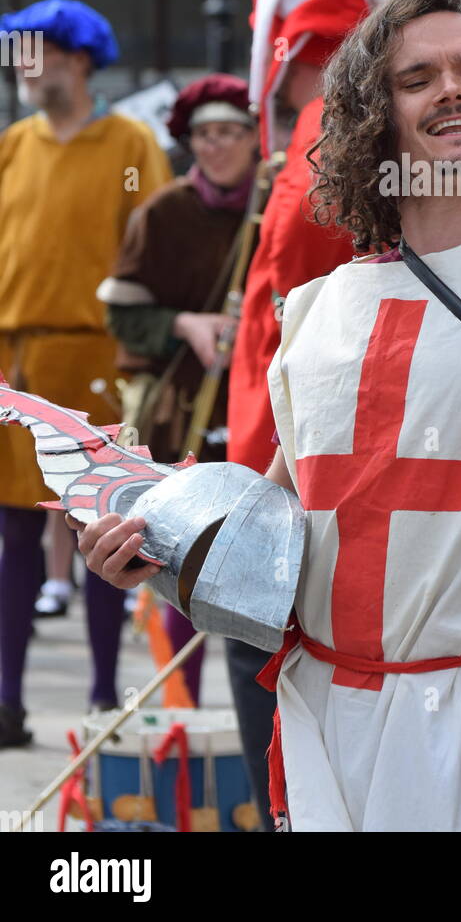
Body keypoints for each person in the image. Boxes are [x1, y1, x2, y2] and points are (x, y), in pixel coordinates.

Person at [77, 0, 461, 833]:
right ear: (374, 119)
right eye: (415, 78)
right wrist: (157, 556)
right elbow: (281, 542)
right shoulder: (320, 309)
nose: (451, 92)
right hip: (320, 733)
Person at [224, 0, 384, 824]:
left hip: (287, 461)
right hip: (280, 446)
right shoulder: (327, 130)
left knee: (269, 673)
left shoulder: (323, 130)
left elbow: (315, 314)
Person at [0, 0, 171, 748]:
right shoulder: (11, 146)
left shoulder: (131, 142)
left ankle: (106, 701)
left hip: (101, 361)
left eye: (31, 51)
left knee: (106, 527)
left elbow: (160, 254)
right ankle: (6, 701)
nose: (20, 67)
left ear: (74, 57)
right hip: (17, 361)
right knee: (12, 540)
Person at [96, 75, 259, 705]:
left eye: (229, 133)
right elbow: (122, 313)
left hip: (255, 410)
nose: (215, 147)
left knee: (249, 554)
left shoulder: (274, 210)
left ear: (251, 140)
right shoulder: (160, 211)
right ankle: (182, 708)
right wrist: (183, 326)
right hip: (183, 413)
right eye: (203, 135)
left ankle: (256, 710)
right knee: (180, 558)